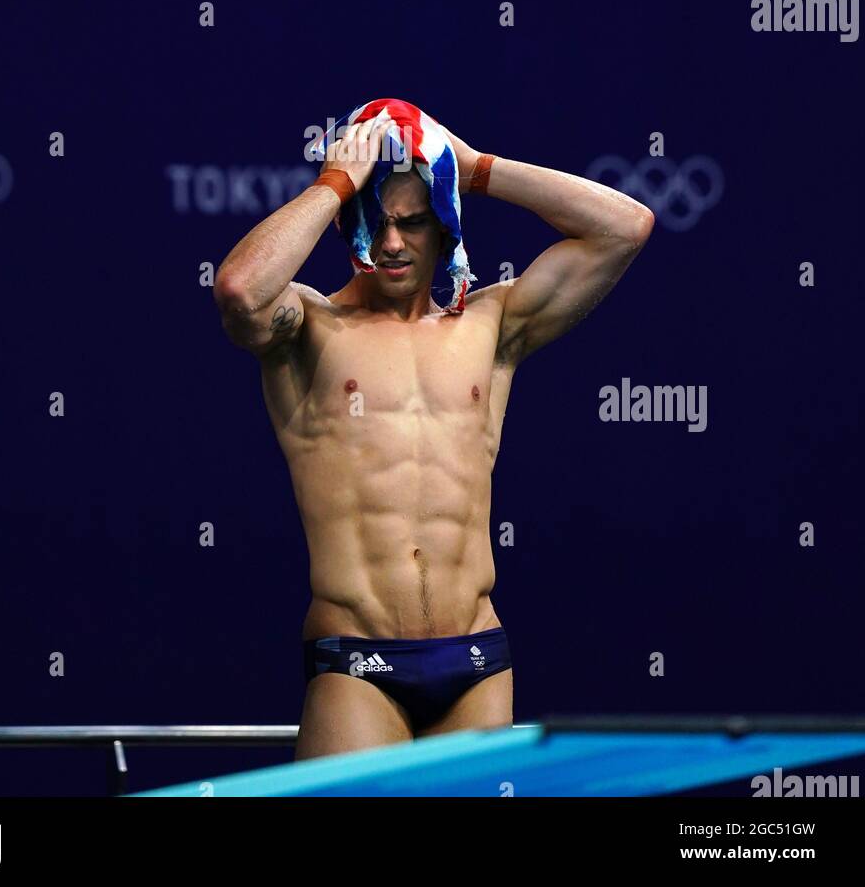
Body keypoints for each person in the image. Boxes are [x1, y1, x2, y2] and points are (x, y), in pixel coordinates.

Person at [214, 102, 654, 759]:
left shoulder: (491, 325)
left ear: (444, 224)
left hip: (478, 659)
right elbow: (240, 290)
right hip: (358, 663)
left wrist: (473, 168)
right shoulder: (309, 326)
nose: (392, 243)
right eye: (377, 221)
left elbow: (625, 227)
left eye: (414, 223)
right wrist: (335, 181)